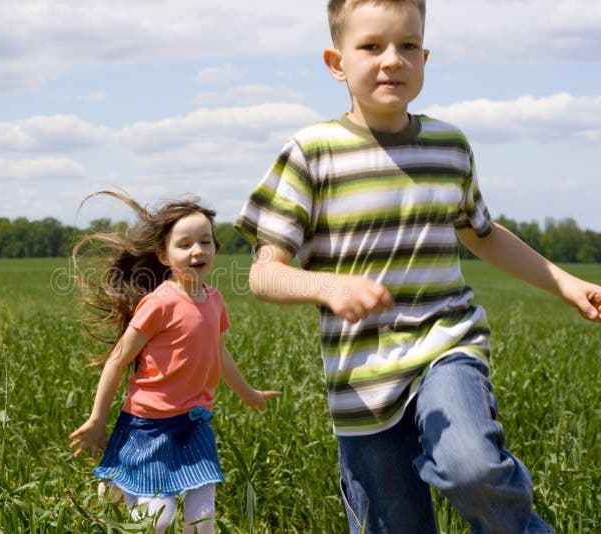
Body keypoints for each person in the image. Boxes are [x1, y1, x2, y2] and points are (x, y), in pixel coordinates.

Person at [235, 1, 601, 533]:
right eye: (371, 46)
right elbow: (263, 272)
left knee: (471, 465)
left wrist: (566, 284)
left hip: (445, 343)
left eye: (408, 46)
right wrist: (327, 285)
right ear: (336, 62)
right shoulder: (312, 153)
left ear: (425, 57)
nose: (392, 60)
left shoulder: (448, 147)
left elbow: (484, 235)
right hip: (361, 379)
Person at [70, 192, 277, 534]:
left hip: (195, 425)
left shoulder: (214, 300)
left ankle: (125, 483)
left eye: (205, 241)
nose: (198, 250)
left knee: (203, 523)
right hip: (148, 428)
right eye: (185, 244)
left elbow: (219, 353)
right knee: (158, 523)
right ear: (164, 255)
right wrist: (97, 420)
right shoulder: (159, 303)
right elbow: (117, 362)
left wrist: (247, 392)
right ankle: (122, 479)